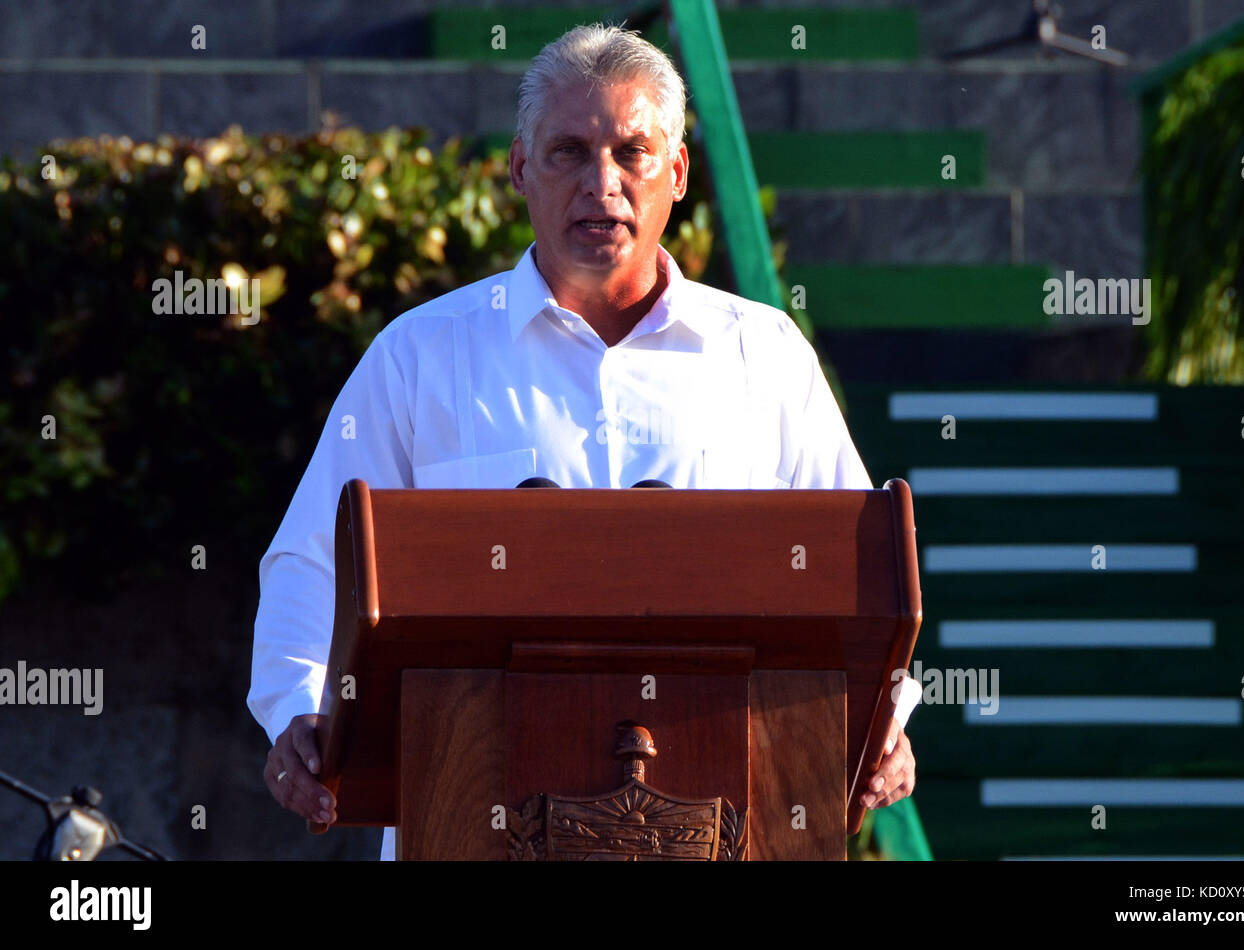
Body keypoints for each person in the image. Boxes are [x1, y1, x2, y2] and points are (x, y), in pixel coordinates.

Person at [248, 23, 918, 860]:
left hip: (725, 824)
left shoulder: (764, 354)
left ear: (678, 173)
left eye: (632, 153)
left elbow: (857, 573)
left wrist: (885, 721)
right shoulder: (423, 354)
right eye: (568, 151)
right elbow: (315, 560)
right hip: (468, 814)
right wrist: (300, 713)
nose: (602, 183)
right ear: (520, 168)